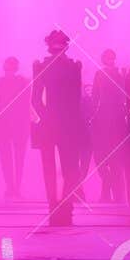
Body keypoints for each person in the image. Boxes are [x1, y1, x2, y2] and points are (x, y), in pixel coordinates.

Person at [32, 29, 88, 225]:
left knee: (54, 167)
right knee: (69, 167)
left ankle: (56, 206)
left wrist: (46, 118)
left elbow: (36, 100)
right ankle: (64, 206)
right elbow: (76, 100)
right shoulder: (73, 66)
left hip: (53, 124)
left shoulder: (41, 66)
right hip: (68, 123)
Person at [89, 49, 130, 201]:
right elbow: (95, 96)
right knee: (102, 159)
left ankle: (112, 193)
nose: (110, 59)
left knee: (114, 160)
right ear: (103, 59)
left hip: (117, 120)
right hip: (102, 120)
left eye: (112, 57)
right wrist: (93, 116)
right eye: (107, 57)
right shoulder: (100, 74)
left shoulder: (120, 74)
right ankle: (108, 191)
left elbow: (124, 95)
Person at [0, 56, 31, 198]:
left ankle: (13, 188)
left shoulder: (22, 82)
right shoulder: (22, 82)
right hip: (10, 125)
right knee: (12, 158)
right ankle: (12, 188)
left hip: (13, 125)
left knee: (13, 158)